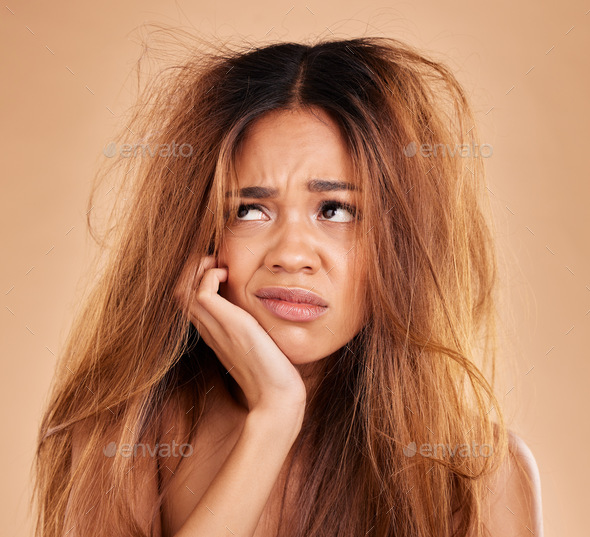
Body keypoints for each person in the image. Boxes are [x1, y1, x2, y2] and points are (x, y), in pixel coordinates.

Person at [33, 33, 543, 537]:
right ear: (203, 234)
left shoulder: (479, 476)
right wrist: (274, 416)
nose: (291, 256)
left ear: (403, 243)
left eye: (336, 210)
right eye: (250, 210)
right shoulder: (127, 438)